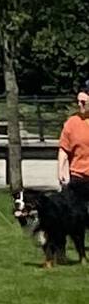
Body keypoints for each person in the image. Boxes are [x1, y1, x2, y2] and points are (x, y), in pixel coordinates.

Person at [55, 86, 89, 240]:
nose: (80, 105)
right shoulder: (71, 123)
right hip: (78, 176)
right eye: (78, 102)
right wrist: (60, 170)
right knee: (76, 213)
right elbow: (64, 149)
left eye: (84, 102)